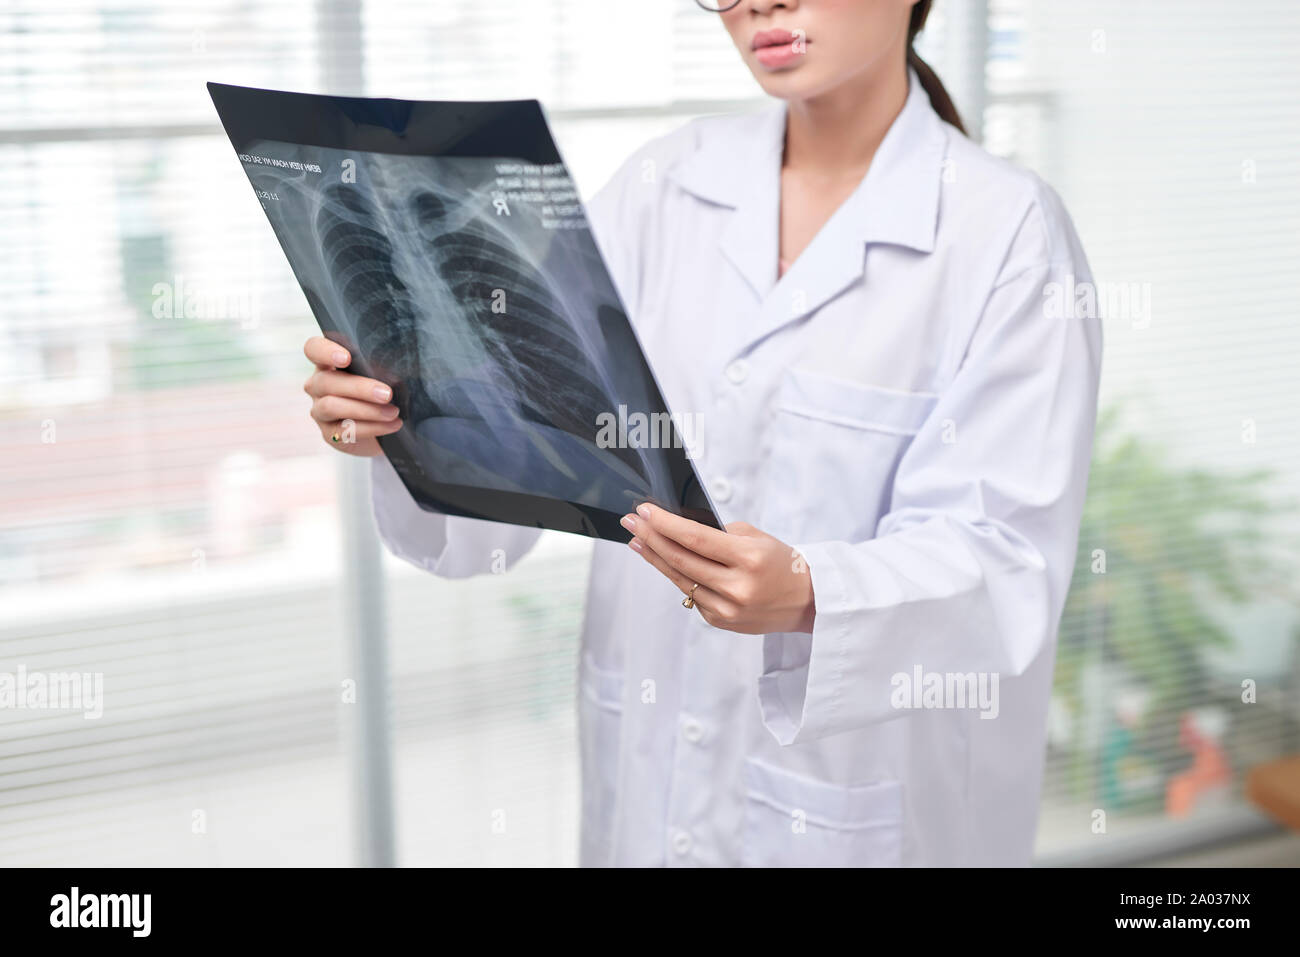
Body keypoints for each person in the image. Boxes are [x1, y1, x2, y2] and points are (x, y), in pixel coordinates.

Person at [301, 0, 1102, 867]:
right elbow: (530, 441)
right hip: (646, 785)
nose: (759, 2)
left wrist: (810, 592)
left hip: (859, 814)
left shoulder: (1008, 234)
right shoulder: (663, 184)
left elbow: (1008, 566)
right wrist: (410, 428)